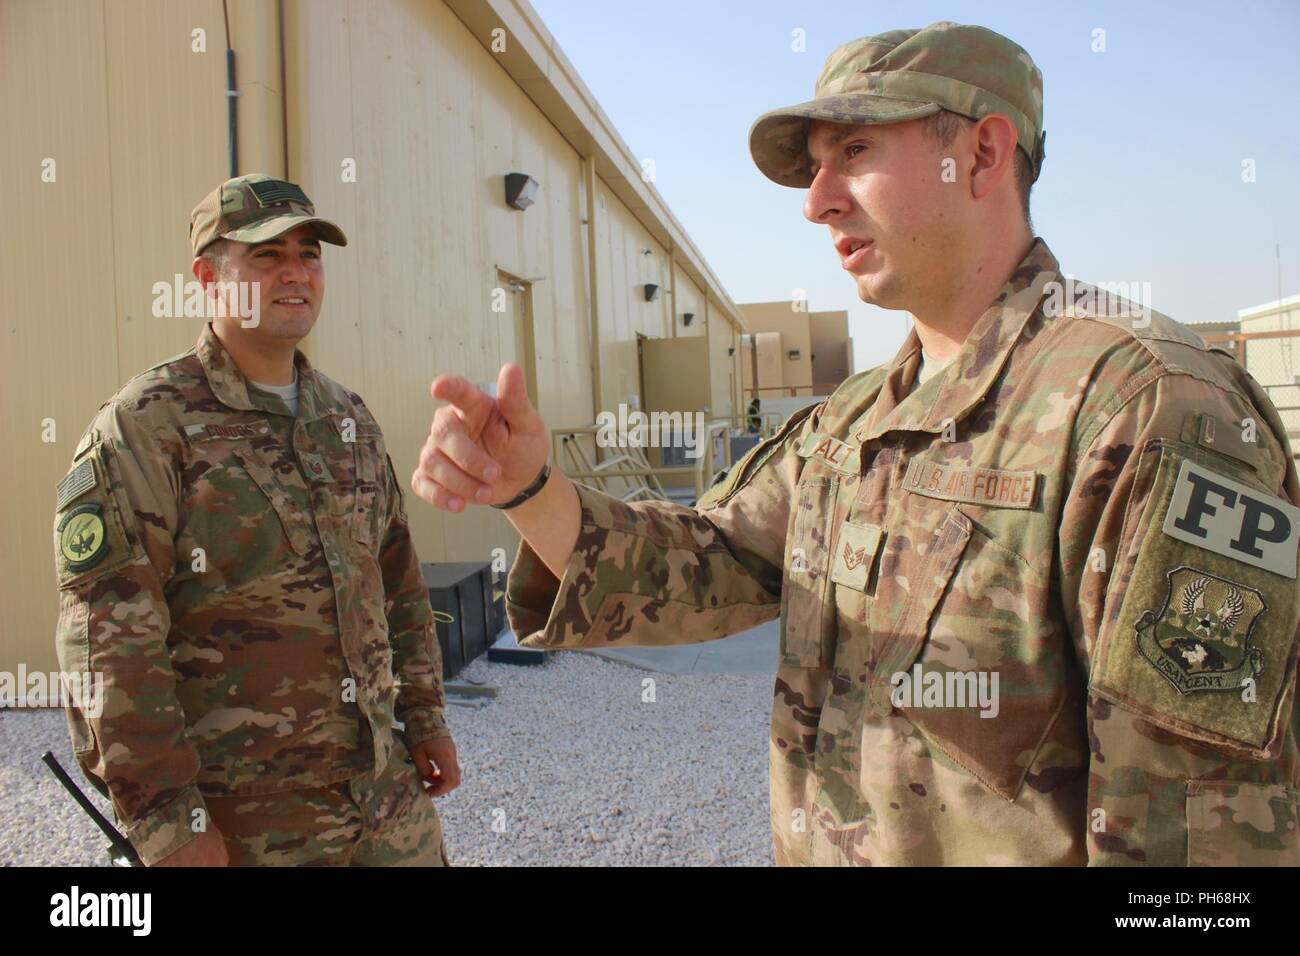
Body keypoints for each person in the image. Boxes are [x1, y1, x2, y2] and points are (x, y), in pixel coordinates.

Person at [410, 22, 1299, 865]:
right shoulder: (857, 417)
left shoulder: (1148, 407)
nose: (816, 201)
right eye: (817, 166)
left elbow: (1212, 855)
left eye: (857, 153)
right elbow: (712, 560)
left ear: (983, 154)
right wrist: (530, 490)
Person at [53, 174, 460, 866]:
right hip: (246, 825)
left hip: (386, 805)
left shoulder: (348, 419)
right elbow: (108, 641)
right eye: (267, 256)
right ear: (209, 277)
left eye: (310, 253)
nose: (296, 272)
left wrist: (424, 717)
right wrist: (167, 822)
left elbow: (398, 581)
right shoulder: (147, 426)